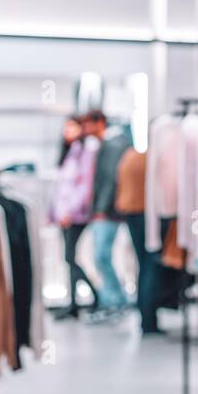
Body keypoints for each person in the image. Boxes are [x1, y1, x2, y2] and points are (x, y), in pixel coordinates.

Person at [48, 114, 99, 320]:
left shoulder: (86, 152)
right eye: (66, 128)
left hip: (75, 215)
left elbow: (84, 186)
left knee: (69, 257)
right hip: (63, 215)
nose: (68, 132)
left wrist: (70, 211)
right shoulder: (69, 154)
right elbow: (60, 189)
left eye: (73, 128)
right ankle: (73, 303)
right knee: (67, 258)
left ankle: (95, 296)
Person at [86, 110, 134, 322]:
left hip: (107, 212)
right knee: (101, 257)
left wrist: (101, 210)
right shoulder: (109, 144)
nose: (85, 129)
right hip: (105, 210)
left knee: (101, 257)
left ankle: (115, 301)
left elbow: (111, 180)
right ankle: (114, 300)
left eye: (88, 124)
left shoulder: (113, 145)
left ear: (99, 123)